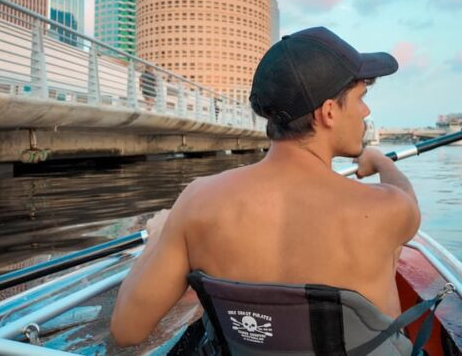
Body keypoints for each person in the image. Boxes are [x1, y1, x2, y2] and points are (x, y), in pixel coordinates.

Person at [110, 27, 421, 352]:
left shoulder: (197, 201)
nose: (366, 112)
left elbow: (127, 329)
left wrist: (164, 233)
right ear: (329, 112)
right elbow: (407, 200)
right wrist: (383, 163)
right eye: (360, 98)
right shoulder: (387, 209)